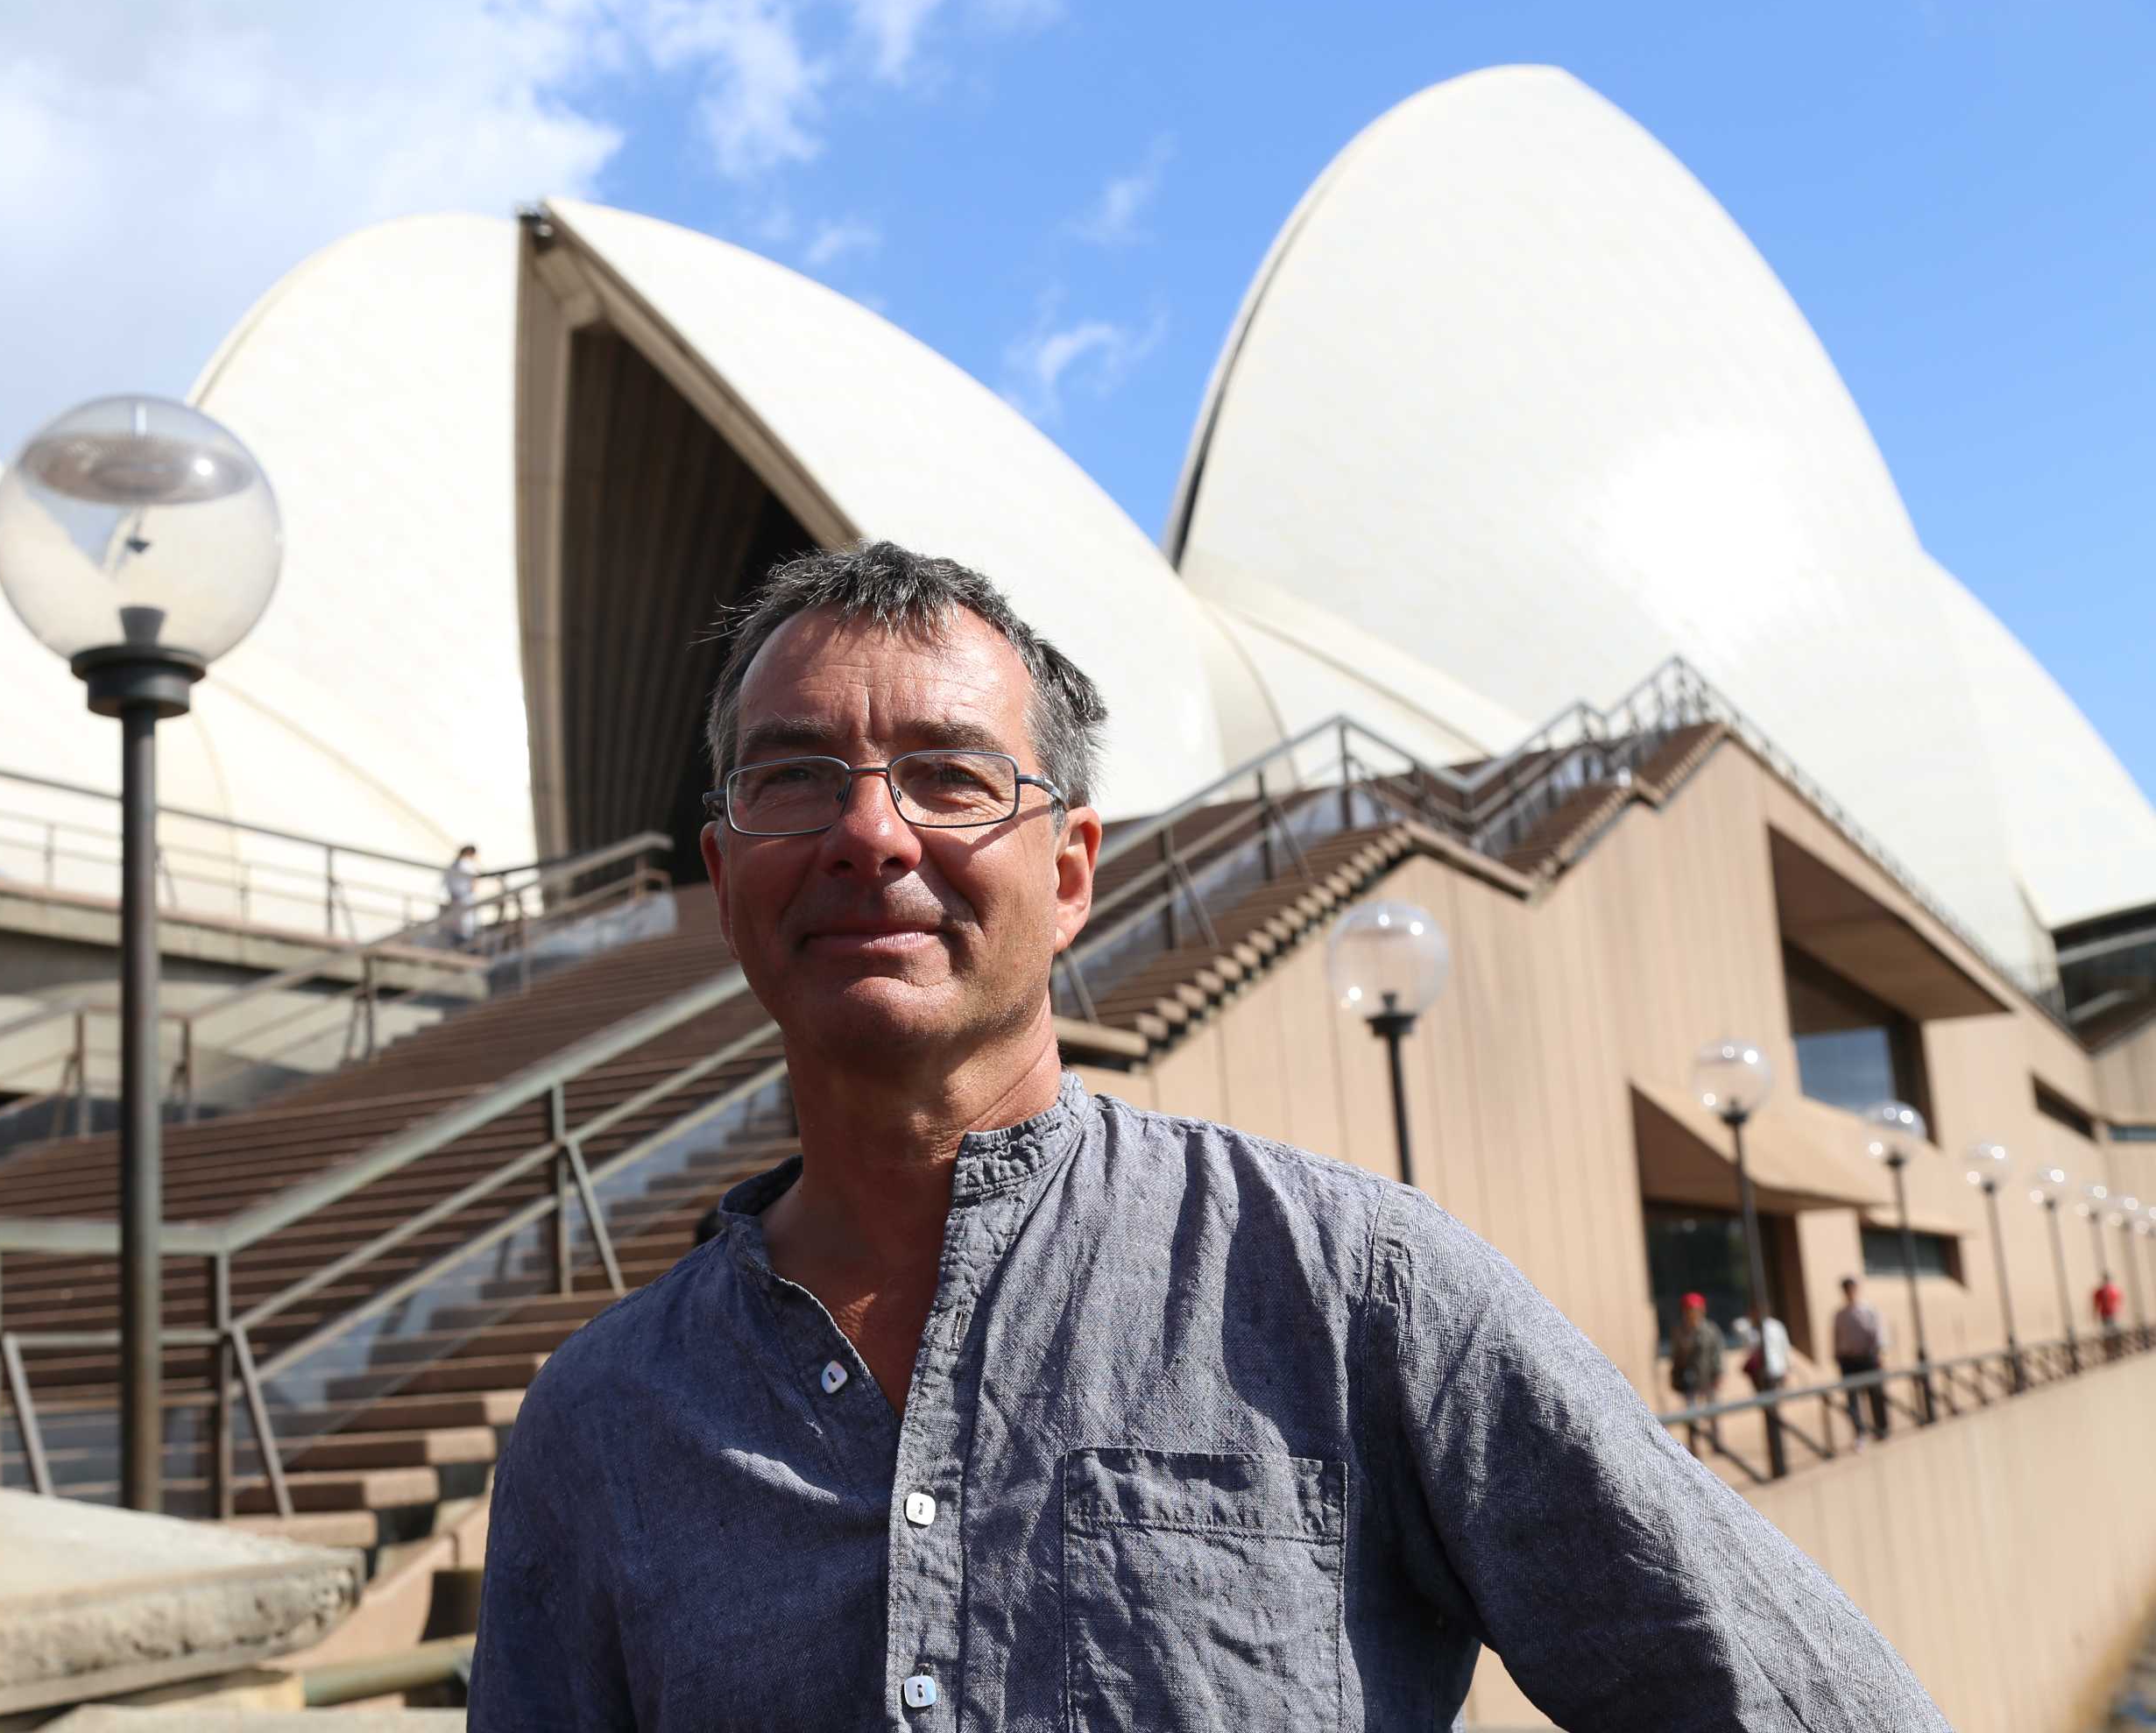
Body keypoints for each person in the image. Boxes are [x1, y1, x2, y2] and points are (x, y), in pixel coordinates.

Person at [471, 541, 1941, 1729]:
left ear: (1072, 872)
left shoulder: (1354, 1291)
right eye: (797, 778)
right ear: (726, 880)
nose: (873, 833)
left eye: (950, 775)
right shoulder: (598, 1426)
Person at [1833, 1276, 1891, 1447]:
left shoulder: (1869, 1310)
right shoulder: (1840, 1315)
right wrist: (1838, 1357)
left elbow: (1879, 1334)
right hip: (1849, 1361)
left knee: (1876, 1395)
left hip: (1868, 1358)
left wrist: (1878, 1355)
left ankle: (1882, 1428)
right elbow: (1836, 1338)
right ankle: (1859, 1433)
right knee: (1852, 1400)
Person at [1667, 1291, 1724, 1456]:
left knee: (1712, 1411)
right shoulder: (1680, 1332)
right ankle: (1694, 1446)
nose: (1692, 1313)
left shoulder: (1710, 1329)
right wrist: (1675, 1377)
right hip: (1689, 1380)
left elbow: (1717, 1352)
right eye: (1689, 1310)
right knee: (1691, 1414)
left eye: (1696, 1309)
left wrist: (1718, 1373)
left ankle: (1716, 1442)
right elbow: (1676, 1357)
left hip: (1708, 1377)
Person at [442, 843, 481, 948]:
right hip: (465, 895)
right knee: (467, 921)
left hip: (456, 895)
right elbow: (473, 878)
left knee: (459, 921)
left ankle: (461, 941)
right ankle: (467, 943)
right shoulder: (466, 863)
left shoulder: (454, 864)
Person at [2094, 1272, 2124, 1356]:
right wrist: (2095, 1314)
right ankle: (2110, 1351)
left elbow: (2118, 1301)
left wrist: (2119, 1311)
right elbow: (2097, 1303)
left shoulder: (2113, 1290)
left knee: (2114, 1331)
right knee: (2108, 1333)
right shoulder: (2100, 1291)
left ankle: (2116, 1350)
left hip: (2112, 1313)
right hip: (2105, 1314)